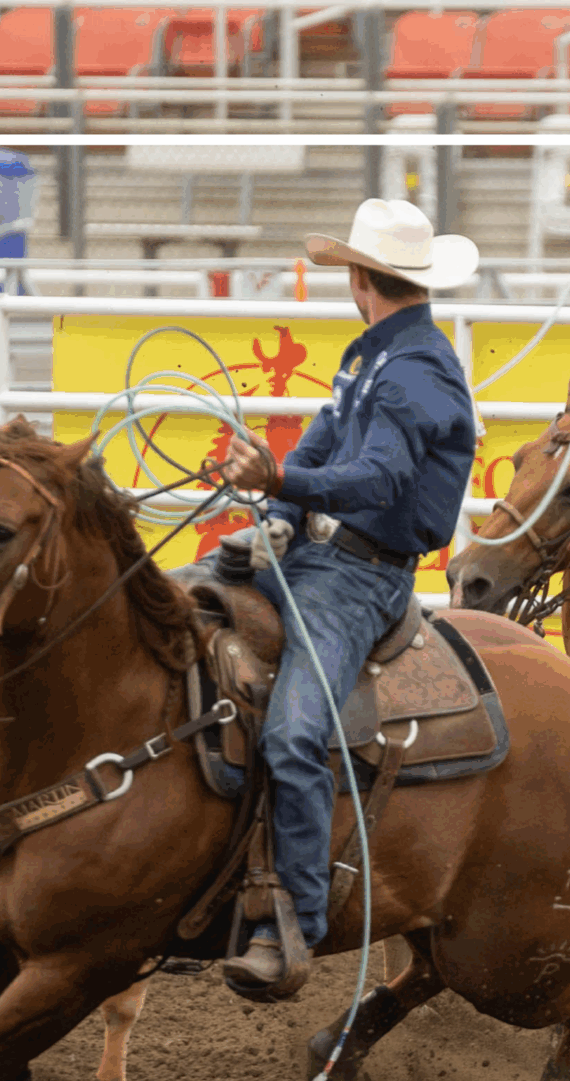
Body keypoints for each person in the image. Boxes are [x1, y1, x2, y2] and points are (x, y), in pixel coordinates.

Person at [212, 199, 481, 1000]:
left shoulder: (415, 372)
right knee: (183, 604)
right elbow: (323, 450)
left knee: (296, 733)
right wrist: (275, 521)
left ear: (362, 278)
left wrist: (281, 483)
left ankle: (291, 916)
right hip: (324, 559)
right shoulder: (373, 360)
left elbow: (381, 480)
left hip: (362, 578)